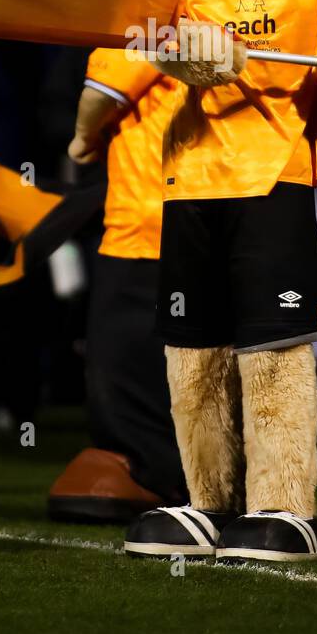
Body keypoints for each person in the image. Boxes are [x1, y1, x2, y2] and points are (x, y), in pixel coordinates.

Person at [48, 48, 186, 521]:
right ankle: (175, 469)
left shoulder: (154, 4)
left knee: (130, 352)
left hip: (147, 213)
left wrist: (82, 138)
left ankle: (155, 470)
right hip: (183, 204)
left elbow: (107, 85)